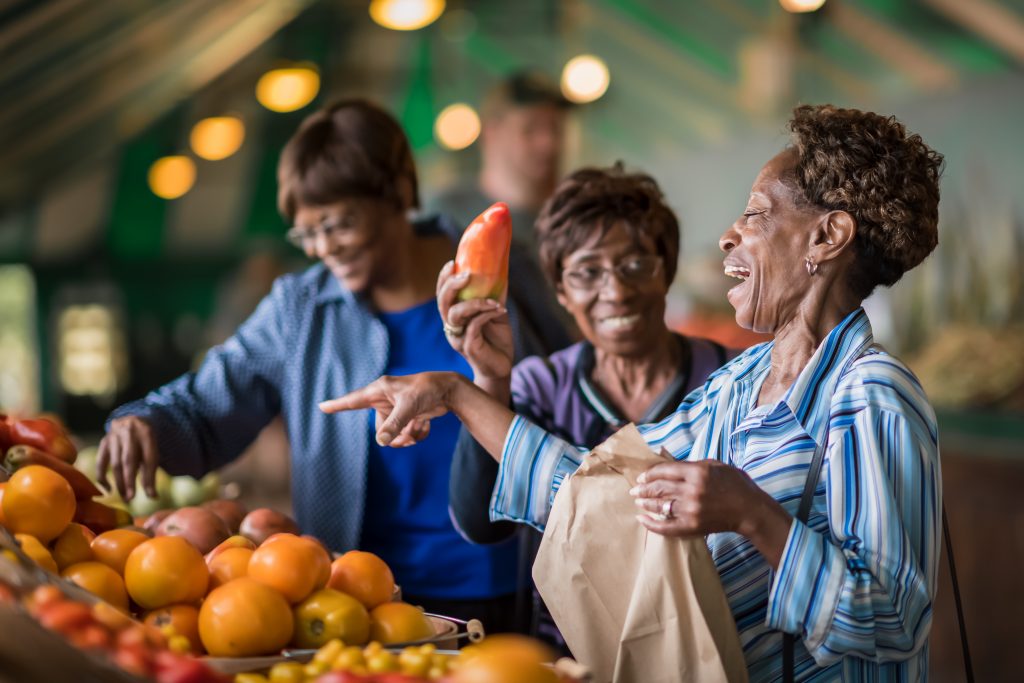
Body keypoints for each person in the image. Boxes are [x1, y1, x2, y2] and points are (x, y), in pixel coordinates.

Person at [322, 104, 945, 680]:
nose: (730, 235)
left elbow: (893, 620)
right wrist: (461, 391)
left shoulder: (872, 395)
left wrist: (753, 515)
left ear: (827, 237)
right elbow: (606, 496)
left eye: (756, 213)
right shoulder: (740, 380)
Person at [96, 99, 569, 630]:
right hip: (359, 594)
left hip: (515, 580)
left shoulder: (504, 270)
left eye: (339, 224)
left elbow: (575, 392)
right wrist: (144, 420)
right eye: (308, 233)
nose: (324, 248)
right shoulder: (299, 309)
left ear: (396, 192)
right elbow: (209, 402)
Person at [441, 164, 731, 647]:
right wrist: (489, 378)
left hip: (708, 648)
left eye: (636, 264)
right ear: (560, 291)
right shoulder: (541, 387)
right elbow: (480, 525)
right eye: (587, 272)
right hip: (572, 655)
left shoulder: (731, 381)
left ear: (667, 271)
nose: (615, 291)